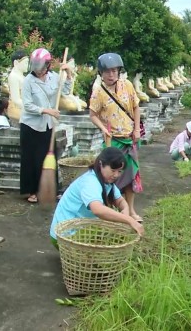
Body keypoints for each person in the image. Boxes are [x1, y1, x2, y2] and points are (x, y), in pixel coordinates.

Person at [49, 147, 144, 248]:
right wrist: (129, 220)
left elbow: (120, 201)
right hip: (65, 236)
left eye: (119, 171)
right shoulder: (90, 182)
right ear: (101, 164)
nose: (116, 175)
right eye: (113, 170)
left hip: (83, 231)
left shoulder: (107, 182)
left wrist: (125, 210)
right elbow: (98, 210)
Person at [89, 52, 142, 222]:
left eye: (114, 71)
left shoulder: (127, 85)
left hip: (129, 137)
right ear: (101, 73)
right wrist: (104, 128)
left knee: (131, 175)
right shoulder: (98, 92)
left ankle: (131, 210)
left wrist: (136, 130)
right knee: (109, 176)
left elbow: (136, 107)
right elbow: (93, 114)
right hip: (113, 141)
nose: (111, 75)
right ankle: (111, 211)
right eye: (107, 72)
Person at [19, 48, 73, 204]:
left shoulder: (54, 78)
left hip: (48, 125)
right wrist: (47, 110)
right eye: (35, 64)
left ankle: (50, 190)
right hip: (30, 125)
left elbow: (66, 90)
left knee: (48, 157)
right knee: (31, 158)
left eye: (41, 65)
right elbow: (28, 105)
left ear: (48, 65)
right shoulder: (28, 81)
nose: (38, 68)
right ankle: (32, 191)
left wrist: (68, 74)